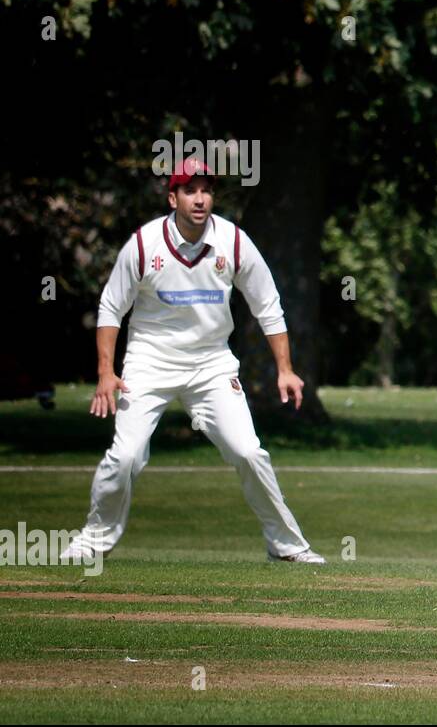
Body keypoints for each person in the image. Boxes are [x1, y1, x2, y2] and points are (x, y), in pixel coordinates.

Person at [61, 158, 325, 565]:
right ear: (173, 198)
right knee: (127, 454)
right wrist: (106, 374)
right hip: (149, 361)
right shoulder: (144, 244)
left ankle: (286, 545)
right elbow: (111, 309)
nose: (200, 199)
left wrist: (285, 370)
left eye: (206, 190)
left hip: (211, 364)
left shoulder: (233, 242)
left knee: (248, 452)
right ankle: (92, 542)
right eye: (190, 190)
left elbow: (268, 306)